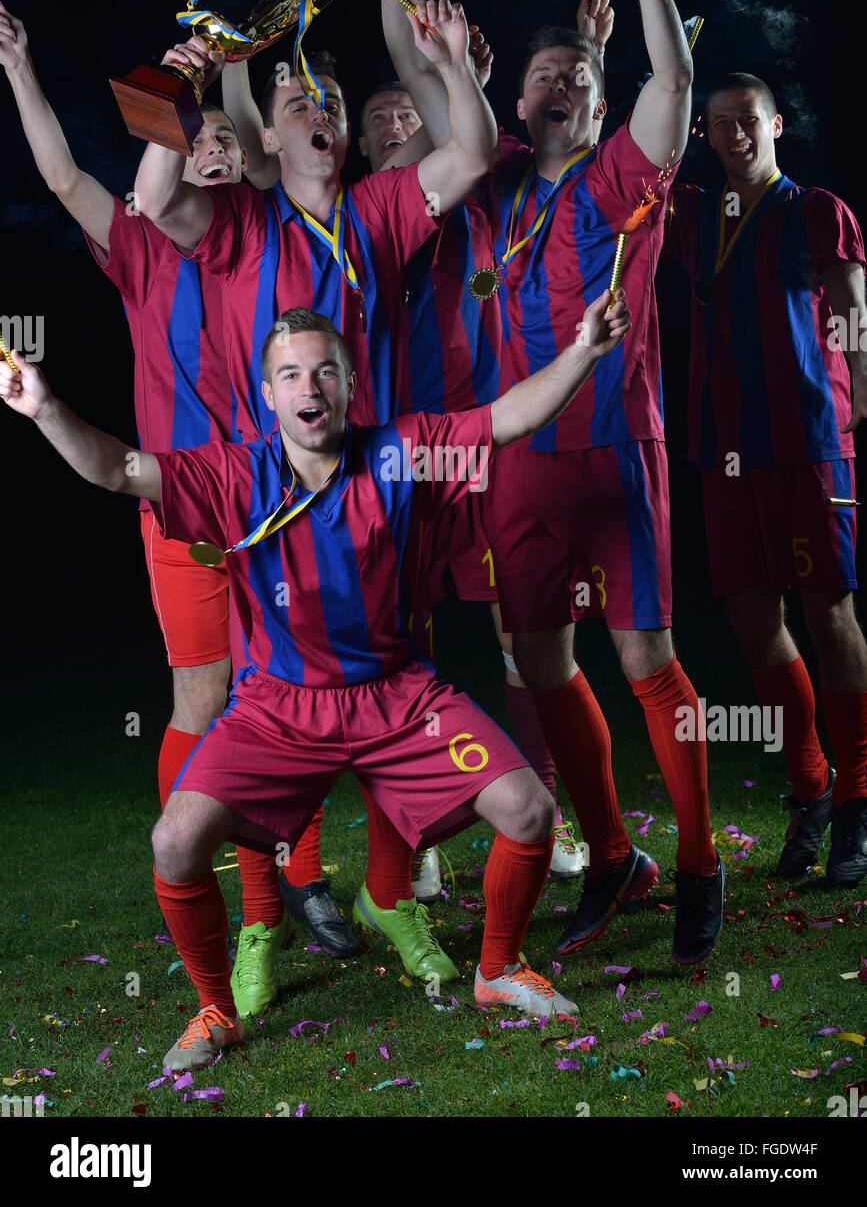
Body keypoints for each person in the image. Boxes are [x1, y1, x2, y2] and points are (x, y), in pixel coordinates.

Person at [1, 292, 632, 1071]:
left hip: (398, 697)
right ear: (268, 395)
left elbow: (507, 418)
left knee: (529, 813)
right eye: (291, 374)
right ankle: (215, 1013)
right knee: (174, 842)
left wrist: (583, 351)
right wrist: (45, 408)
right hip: (277, 706)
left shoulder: (401, 451)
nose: (310, 387)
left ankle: (498, 972)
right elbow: (122, 468)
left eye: (325, 371)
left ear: (349, 383)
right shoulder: (235, 473)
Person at [368, 0, 722, 964]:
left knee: (647, 655)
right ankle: (612, 853)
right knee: (534, 655)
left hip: (616, 451)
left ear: (600, 104)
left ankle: (701, 861)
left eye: (578, 75)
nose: (559, 83)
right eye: (541, 75)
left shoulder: (624, 177)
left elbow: (672, 76)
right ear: (514, 103)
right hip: (512, 457)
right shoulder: (491, 184)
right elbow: (426, 71)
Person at [131, 0, 500, 984]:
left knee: (400, 694)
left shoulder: (380, 208)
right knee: (261, 710)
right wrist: (182, 84)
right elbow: (155, 199)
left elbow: (469, 152)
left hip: (384, 494)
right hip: (277, 509)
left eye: (325, 94)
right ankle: (259, 916)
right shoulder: (246, 222)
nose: (314, 108)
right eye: (295, 97)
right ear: (270, 130)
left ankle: (387, 894)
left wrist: (456, 60)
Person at [0, 5, 356, 1025]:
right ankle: (250, 915)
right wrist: (26, 70)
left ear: (241, 159)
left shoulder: (274, 246)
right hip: (180, 513)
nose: (205, 148)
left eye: (219, 139)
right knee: (202, 704)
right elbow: (72, 179)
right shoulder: (142, 253)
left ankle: (306, 871)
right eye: (188, 136)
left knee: (298, 695)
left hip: (277, 507)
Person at [366, 0, 601, 891]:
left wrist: (463, 60)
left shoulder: (495, 162)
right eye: (383, 115)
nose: (396, 124)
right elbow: (413, 56)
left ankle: (556, 823)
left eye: (406, 109)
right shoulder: (373, 210)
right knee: (391, 635)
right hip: (409, 441)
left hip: (496, 436)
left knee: (528, 634)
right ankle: (409, 842)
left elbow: (564, 120)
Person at [665, 72, 867, 886]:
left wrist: (860, 390)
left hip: (808, 439)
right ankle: (809, 786)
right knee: (753, 615)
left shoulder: (813, 208)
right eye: (717, 125)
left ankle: (856, 799)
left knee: (829, 610)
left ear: (775, 123)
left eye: (746, 120)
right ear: (703, 134)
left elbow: (854, 300)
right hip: (722, 443)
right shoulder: (691, 213)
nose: (733, 135)